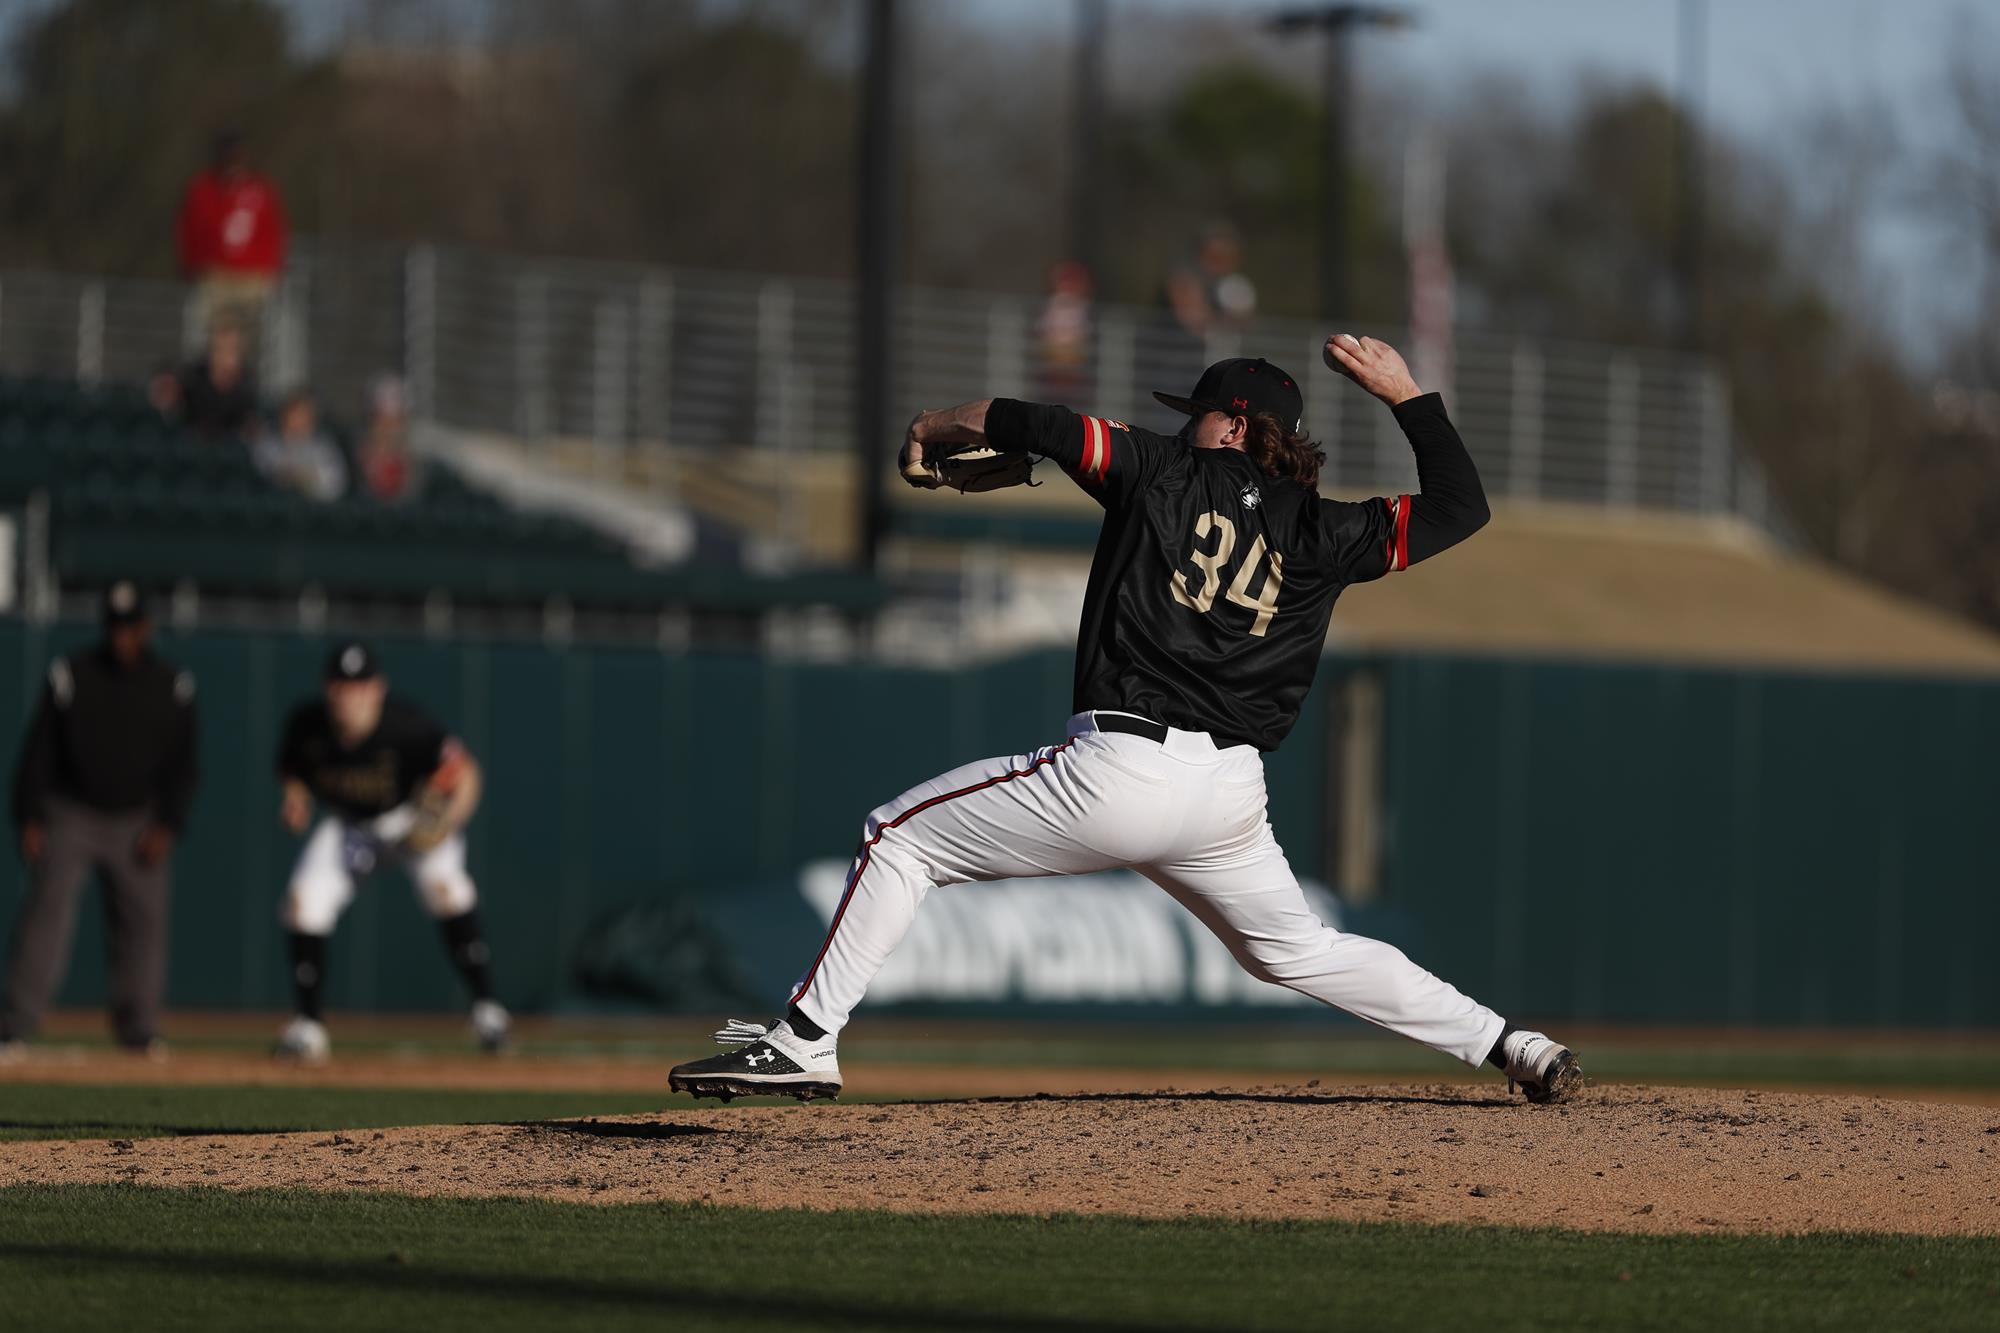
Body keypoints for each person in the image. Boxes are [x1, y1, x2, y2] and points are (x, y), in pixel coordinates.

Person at [670, 334, 1582, 1105]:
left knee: (897, 837)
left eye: (1198, 409)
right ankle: (1512, 1044)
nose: (1186, 419)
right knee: (1299, 950)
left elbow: (1025, 419)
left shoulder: (1160, 468)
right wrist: (1409, 395)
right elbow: (1464, 505)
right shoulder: (1327, 533)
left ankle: (804, 1038)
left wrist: (928, 428)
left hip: (1121, 768)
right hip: (1229, 799)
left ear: (1229, 422)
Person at [272, 642, 508, 1061]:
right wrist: (296, 797)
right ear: (329, 690)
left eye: (360, 686)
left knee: (448, 889)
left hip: (410, 821)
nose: (351, 696)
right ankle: (308, 1025)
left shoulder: (407, 727)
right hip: (351, 826)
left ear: (377, 688)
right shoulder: (307, 725)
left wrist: (448, 822)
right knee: (303, 901)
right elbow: (292, 771)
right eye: (342, 686)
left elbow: (466, 772)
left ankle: (488, 1010)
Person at [2, 582, 198, 1058]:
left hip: (138, 819)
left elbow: (184, 765)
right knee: (46, 915)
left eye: (131, 627)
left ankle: (139, 1028)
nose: (123, 636)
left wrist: (169, 823)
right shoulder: (72, 673)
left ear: (146, 629)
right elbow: (38, 752)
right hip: (71, 812)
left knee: (143, 924)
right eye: (115, 626)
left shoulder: (172, 684)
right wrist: (29, 814)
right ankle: (14, 1026)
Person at [176, 129, 289, 345]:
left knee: (256, 338)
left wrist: (271, 268)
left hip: (254, 276)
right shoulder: (202, 189)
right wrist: (192, 265)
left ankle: (247, 375)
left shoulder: (260, 190)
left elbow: (274, 231)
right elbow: (190, 230)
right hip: (214, 274)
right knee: (210, 336)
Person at [253, 390, 348, 501]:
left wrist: (307, 478)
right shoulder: (268, 442)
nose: (299, 421)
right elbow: (266, 470)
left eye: (304, 415)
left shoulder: (323, 447)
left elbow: (335, 484)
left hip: (313, 508)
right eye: (295, 414)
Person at [178, 322, 258, 442]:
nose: (227, 356)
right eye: (221, 349)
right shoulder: (193, 381)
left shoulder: (248, 386)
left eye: (232, 349)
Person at [355, 375, 418, 503]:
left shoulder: (414, 460)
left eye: (398, 421)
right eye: (384, 421)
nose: (391, 429)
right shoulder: (358, 457)